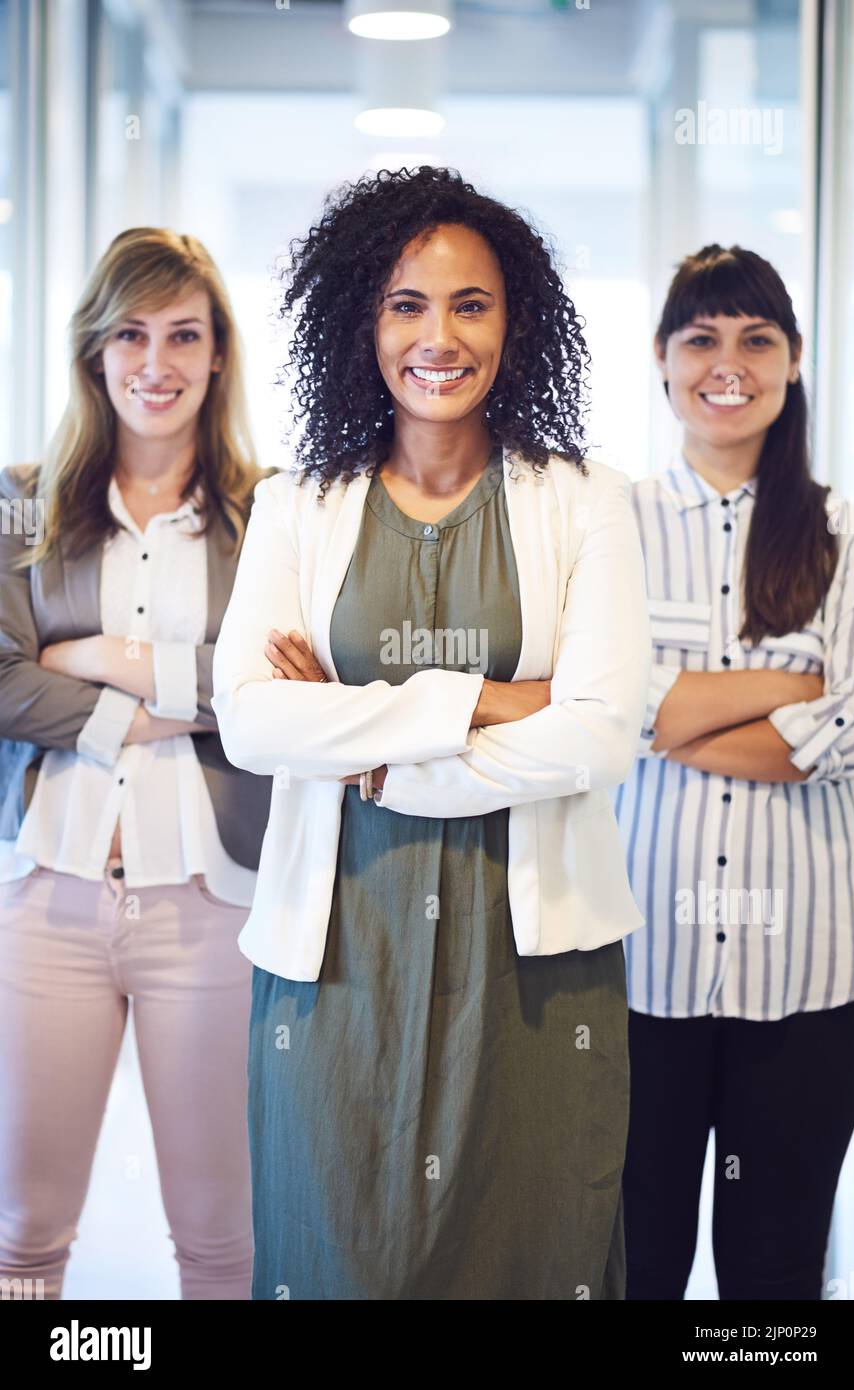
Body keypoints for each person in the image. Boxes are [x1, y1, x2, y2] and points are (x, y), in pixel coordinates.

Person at [212, 164, 652, 1300]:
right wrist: (493, 695)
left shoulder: (584, 497)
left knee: (533, 1251)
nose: (438, 336)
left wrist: (362, 749)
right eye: (406, 303)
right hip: (338, 956)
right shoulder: (296, 503)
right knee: (340, 1256)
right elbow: (255, 720)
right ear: (361, 321)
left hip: (536, 966)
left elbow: (602, 735)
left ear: (519, 320)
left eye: (471, 303)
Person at [0, 227, 273, 1299]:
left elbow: (277, 691)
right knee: (24, 1230)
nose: (156, 363)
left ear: (216, 355)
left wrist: (103, 658)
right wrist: (149, 716)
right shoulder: (23, 504)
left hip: (210, 908)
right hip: (48, 903)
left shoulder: (267, 513)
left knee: (218, 1237)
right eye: (131, 334)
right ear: (94, 353)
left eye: (183, 335)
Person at [615, 243, 854, 1300]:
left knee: (774, 1277)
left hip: (809, 982)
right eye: (702, 338)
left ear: (795, 359)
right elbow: (603, 709)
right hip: (640, 970)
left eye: (756, 338)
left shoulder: (849, 540)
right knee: (635, 1262)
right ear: (663, 362)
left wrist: (663, 714)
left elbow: (844, 735)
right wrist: (778, 686)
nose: (730, 362)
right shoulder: (607, 529)